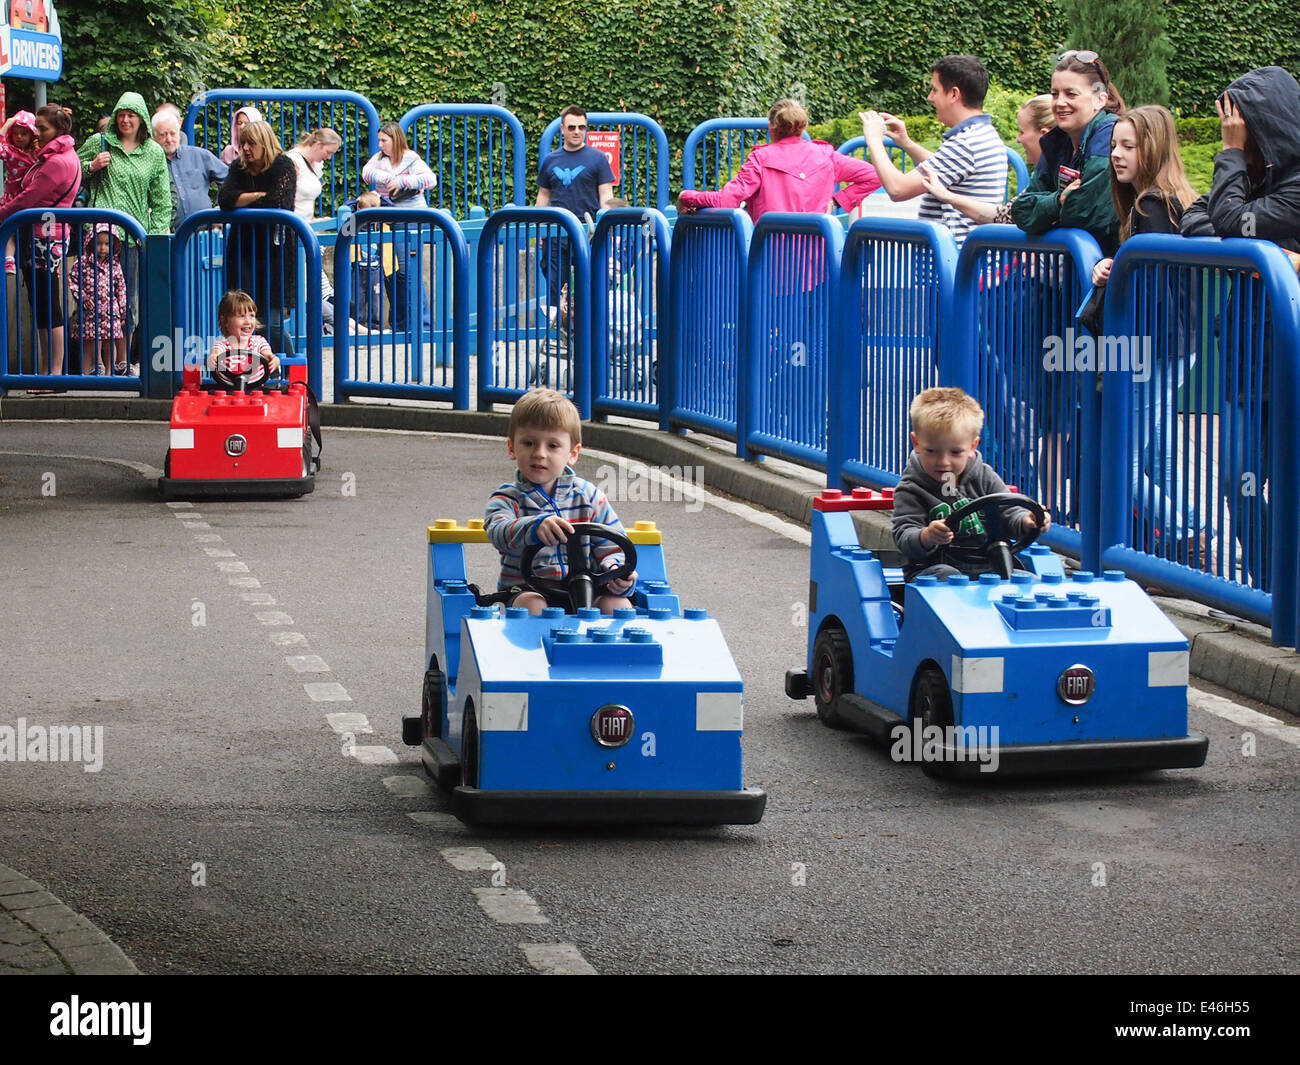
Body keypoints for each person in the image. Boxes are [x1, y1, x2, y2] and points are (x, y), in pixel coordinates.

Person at [1179, 66, 1300, 587]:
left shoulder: (1294, 183)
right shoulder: (1254, 178)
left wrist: (1228, 155)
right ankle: (1267, 591)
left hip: (1288, 358)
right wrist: (1248, 239)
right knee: (1237, 480)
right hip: (1246, 359)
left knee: (1287, 483)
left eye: (1237, 124)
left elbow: (1230, 222)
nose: (1234, 134)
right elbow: (1196, 217)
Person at [1088, 106, 1203, 565]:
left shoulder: (1151, 205)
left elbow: (1152, 284)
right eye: (1114, 144)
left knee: (1120, 456)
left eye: (1128, 146)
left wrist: (1113, 276)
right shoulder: (1165, 200)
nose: (1116, 154)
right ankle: (1186, 542)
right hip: (1173, 344)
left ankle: (1187, 535)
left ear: (1152, 148)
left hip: (1153, 346)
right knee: (1157, 450)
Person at [484, 388, 637, 615]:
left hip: (588, 587)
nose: (540, 453)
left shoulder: (590, 496)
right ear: (512, 448)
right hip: (528, 588)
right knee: (532, 605)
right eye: (529, 443)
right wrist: (534, 526)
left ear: (572, 453)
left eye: (553, 446)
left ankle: (613, 651)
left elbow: (614, 545)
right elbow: (497, 531)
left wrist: (616, 571)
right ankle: (536, 651)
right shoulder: (507, 498)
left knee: (618, 605)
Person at [893, 387, 1050, 581]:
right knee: (948, 578)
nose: (943, 461)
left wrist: (1027, 521)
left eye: (955, 452)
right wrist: (926, 536)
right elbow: (904, 535)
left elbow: (1009, 513)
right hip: (932, 571)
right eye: (932, 451)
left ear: (972, 446)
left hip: (989, 567)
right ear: (916, 443)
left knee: (1028, 582)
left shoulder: (983, 476)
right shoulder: (912, 488)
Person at [859, 56, 1007, 247]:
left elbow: (898, 189)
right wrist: (907, 143)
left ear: (954, 94)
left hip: (953, 264)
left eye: (935, 90)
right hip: (965, 261)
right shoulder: (982, 134)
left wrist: (873, 140)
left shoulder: (965, 143)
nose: (930, 97)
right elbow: (945, 170)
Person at [678, 98, 881, 222]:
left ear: (771, 127)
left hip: (769, 260)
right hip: (816, 259)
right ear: (803, 127)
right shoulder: (827, 156)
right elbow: (874, 175)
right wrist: (836, 201)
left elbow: (727, 200)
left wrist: (688, 196)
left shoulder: (760, 158)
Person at [1011, 50, 1126, 256]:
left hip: (1111, 272)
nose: (1060, 102)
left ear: (1100, 100)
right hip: (1068, 274)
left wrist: (1048, 214)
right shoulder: (1057, 141)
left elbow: (1084, 215)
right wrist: (1057, 202)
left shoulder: (1109, 137)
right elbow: (1021, 210)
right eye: (1055, 94)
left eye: (1071, 94)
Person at [0, 105, 81, 389]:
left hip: (44, 237)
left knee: (48, 306)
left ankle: (54, 374)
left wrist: (2, 214)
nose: (38, 133)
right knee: (44, 305)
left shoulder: (57, 162)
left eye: (43, 129)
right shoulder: (56, 156)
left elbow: (28, 198)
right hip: (44, 235)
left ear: (59, 130)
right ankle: (48, 372)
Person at [218, 120, 297, 354]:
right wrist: (256, 195)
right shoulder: (238, 167)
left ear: (265, 143)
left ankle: (291, 371)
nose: (245, 149)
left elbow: (278, 201)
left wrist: (242, 200)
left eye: (251, 144)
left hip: (276, 249)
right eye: (243, 143)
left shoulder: (283, 165)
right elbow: (224, 199)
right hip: (243, 249)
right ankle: (253, 372)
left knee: (272, 322)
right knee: (244, 319)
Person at [917, 94, 1055, 224]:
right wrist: (946, 195)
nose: (1018, 139)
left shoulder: (1059, 175)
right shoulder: (1042, 175)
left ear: (1044, 135)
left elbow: (898, 189)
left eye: (1022, 132)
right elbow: (1005, 216)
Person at [534, 106, 617, 321]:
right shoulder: (551, 160)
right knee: (555, 283)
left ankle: (588, 330)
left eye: (582, 127)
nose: (577, 131)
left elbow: (606, 195)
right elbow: (544, 195)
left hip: (587, 233)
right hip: (556, 232)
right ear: (562, 128)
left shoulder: (598, 158)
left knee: (588, 284)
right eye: (572, 127)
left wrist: (605, 228)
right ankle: (558, 331)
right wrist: (539, 229)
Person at [362, 122, 434, 336]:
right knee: (392, 273)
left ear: (395, 139)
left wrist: (401, 181)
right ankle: (401, 325)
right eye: (380, 140)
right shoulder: (379, 159)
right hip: (388, 218)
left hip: (410, 219)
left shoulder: (411, 158)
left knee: (408, 272)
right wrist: (387, 179)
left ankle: (422, 325)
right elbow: (366, 173)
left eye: (384, 140)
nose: (380, 144)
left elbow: (430, 179)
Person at [286, 128, 342, 332]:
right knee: (308, 286)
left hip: (308, 229)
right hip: (294, 232)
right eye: (328, 152)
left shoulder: (314, 165)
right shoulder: (293, 162)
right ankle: (340, 324)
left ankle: (339, 324)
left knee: (316, 284)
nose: (329, 158)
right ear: (318, 145)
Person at [66, 223, 128, 377]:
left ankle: (109, 374)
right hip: (89, 312)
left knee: (110, 343)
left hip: (110, 312)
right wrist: (82, 297)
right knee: (87, 344)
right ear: (90, 243)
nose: (102, 248)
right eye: (99, 243)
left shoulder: (115, 265)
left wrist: (122, 311)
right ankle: (85, 375)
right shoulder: (82, 263)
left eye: (107, 244)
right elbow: (72, 280)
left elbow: (121, 289)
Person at [152, 108, 227, 230]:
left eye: (172, 133)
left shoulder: (200, 155)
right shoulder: (151, 164)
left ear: (179, 133)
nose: (169, 139)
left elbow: (229, 180)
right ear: (154, 137)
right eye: (163, 135)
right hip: (170, 236)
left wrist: (220, 210)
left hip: (205, 234)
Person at [207, 289, 281, 389]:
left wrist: (274, 359)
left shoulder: (258, 342)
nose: (248, 321)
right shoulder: (222, 344)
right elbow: (216, 353)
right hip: (227, 391)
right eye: (241, 316)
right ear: (225, 321)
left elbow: (268, 354)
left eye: (251, 316)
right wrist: (213, 357)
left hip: (256, 391)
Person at [0, 111, 39, 273]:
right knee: (9, 230)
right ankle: (9, 260)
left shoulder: (37, 152)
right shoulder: (10, 151)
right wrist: (7, 126)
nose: (19, 137)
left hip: (29, 197)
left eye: (24, 133)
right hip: (13, 197)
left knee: (24, 232)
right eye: (15, 133)